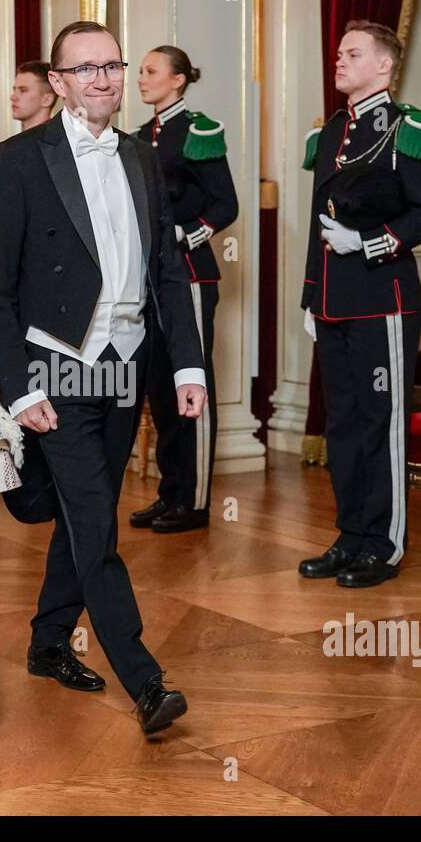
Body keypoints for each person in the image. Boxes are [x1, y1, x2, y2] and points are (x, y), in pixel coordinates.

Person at [0, 21, 207, 735]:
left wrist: (188, 365)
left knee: (87, 511)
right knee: (97, 522)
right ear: (58, 81)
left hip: (126, 363)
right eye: (84, 69)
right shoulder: (17, 159)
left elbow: (168, 272)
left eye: (112, 65)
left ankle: (49, 643)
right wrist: (20, 387)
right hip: (55, 362)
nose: (103, 79)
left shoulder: (141, 156)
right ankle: (143, 679)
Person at [296, 20, 421, 589]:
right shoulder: (332, 130)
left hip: (383, 298)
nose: (340, 61)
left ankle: (384, 545)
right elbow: (318, 224)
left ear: (384, 66)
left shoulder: (411, 129)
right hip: (335, 299)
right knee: (343, 424)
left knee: (381, 424)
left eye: (352, 54)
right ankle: (351, 535)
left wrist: (371, 242)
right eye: (338, 53)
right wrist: (312, 296)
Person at [130, 45, 238, 534]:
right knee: (157, 385)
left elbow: (226, 204)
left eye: (151, 71)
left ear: (177, 80)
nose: (141, 78)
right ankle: (168, 493)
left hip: (190, 274)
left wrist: (183, 234)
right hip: (149, 280)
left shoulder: (199, 131)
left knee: (190, 384)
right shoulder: (136, 138)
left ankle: (193, 501)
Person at [10, 60, 57, 131]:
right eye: (14, 89)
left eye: (23, 90)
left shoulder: (57, 138)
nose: (12, 97)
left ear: (47, 100)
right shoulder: (17, 140)